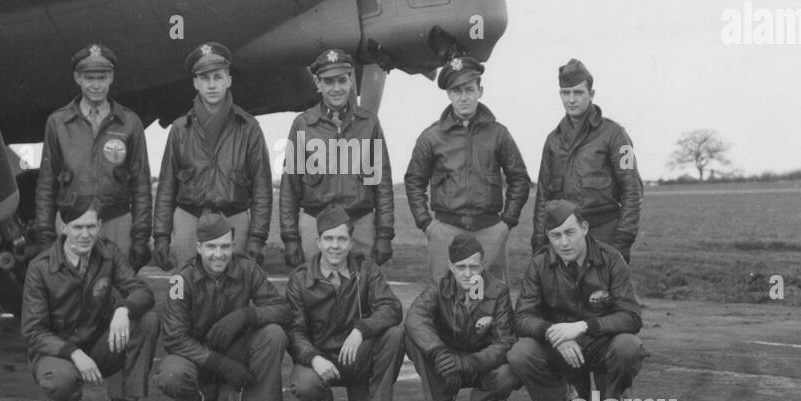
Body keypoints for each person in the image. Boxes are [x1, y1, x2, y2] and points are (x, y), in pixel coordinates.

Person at [21, 198, 160, 401]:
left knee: (146, 321)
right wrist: (73, 353)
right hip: (59, 354)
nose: (85, 235)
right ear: (63, 228)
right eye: (77, 227)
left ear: (100, 225)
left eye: (91, 227)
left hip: (97, 349)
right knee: (62, 379)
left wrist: (123, 310)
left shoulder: (109, 253)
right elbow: (33, 331)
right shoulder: (39, 268)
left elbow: (143, 292)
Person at [509, 199, 646, 401]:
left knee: (629, 346)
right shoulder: (539, 265)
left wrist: (584, 326)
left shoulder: (611, 259)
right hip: (561, 347)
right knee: (520, 353)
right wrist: (553, 334)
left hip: (600, 343)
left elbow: (632, 316)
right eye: (556, 235)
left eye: (570, 232)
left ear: (584, 228)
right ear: (547, 236)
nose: (564, 243)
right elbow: (522, 317)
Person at [153, 210, 291, 401]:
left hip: (235, 350)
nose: (219, 254)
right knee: (172, 374)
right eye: (211, 247)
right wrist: (221, 364)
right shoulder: (181, 280)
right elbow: (174, 338)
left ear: (233, 245)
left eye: (225, 247)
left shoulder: (248, 268)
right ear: (198, 247)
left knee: (274, 334)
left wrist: (246, 315)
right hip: (195, 357)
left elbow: (282, 310)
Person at [403, 56, 530, 288]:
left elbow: (519, 178)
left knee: (491, 297)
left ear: (480, 91)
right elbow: (414, 181)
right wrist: (426, 224)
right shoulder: (431, 137)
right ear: (449, 94)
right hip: (446, 231)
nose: (463, 97)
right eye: (457, 90)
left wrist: (507, 223)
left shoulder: (499, 134)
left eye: (469, 90)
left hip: (490, 230)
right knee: (442, 297)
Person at [153, 42, 273, 273]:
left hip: (233, 218)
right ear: (195, 83)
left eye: (217, 77)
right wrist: (161, 235)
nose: (211, 85)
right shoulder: (179, 129)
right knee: (189, 289)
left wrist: (257, 236)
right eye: (204, 78)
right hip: (190, 217)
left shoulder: (249, 128)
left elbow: (262, 187)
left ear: (228, 80)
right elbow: (166, 187)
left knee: (235, 292)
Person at [285, 205, 404, 401]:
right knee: (306, 387)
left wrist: (361, 330)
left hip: (356, 355)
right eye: (328, 238)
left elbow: (392, 307)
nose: (335, 246)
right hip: (320, 360)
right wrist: (314, 358)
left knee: (395, 334)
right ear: (318, 242)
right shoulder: (299, 279)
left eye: (342, 239)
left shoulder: (367, 269)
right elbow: (294, 331)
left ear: (351, 243)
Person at [34, 43, 152, 270]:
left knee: (116, 294)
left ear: (111, 78)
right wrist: (45, 234)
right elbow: (47, 182)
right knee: (72, 296)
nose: (96, 85)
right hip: (73, 223)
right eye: (89, 78)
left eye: (102, 77)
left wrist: (141, 236)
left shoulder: (130, 123)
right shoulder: (57, 123)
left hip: (116, 221)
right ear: (77, 78)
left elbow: (141, 184)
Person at [279, 49, 395, 267]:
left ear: (351, 81)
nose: (336, 88)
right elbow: (290, 188)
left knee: (360, 293)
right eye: (328, 81)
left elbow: (382, 184)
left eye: (342, 80)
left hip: (359, 222)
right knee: (317, 292)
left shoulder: (369, 123)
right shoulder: (302, 125)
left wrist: (385, 234)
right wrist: (290, 237)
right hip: (316, 220)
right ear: (318, 83)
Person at [404, 233, 522, 401]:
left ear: (483, 264)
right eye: (461, 267)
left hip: (481, 365)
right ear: (451, 267)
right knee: (411, 339)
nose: (467, 273)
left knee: (514, 365)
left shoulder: (498, 290)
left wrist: (469, 363)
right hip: (447, 366)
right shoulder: (439, 286)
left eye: (473, 267)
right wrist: (440, 353)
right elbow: (414, 318)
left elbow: (504, 342)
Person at [531, 58, 642, 262]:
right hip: (564, 236)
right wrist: (539, 241)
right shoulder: (552, 141)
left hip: (605, 235)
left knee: (604, 294)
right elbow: (543, 197)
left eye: (578, 92)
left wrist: (622, 239)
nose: (571, 99)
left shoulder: (616, 135)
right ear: (560, 95)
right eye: (566, 93)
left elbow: (632, 189)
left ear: (591, 94)